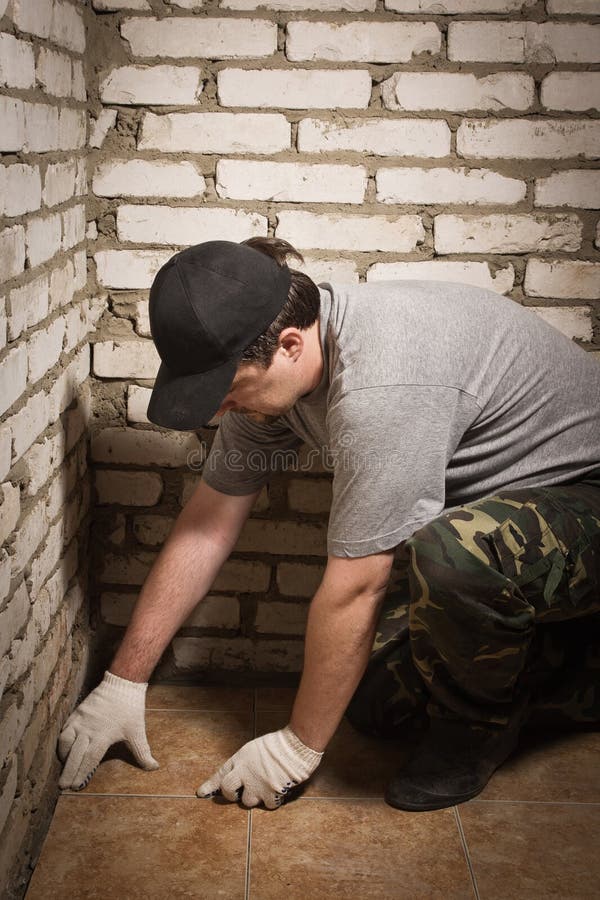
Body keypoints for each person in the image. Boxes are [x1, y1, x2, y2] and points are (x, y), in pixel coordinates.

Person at [58, 238, 600, 812]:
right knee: (369, 702)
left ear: (290, 345)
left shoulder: (382, 387)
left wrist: (298, 748)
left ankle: (475, 737)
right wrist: (123, 681)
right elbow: (208, 524)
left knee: (454, 552)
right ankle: (568, 669)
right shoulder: (273, 381)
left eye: (225, 391)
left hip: (582, 502)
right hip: (508, 530)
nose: (218, 411)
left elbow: (359, 584)